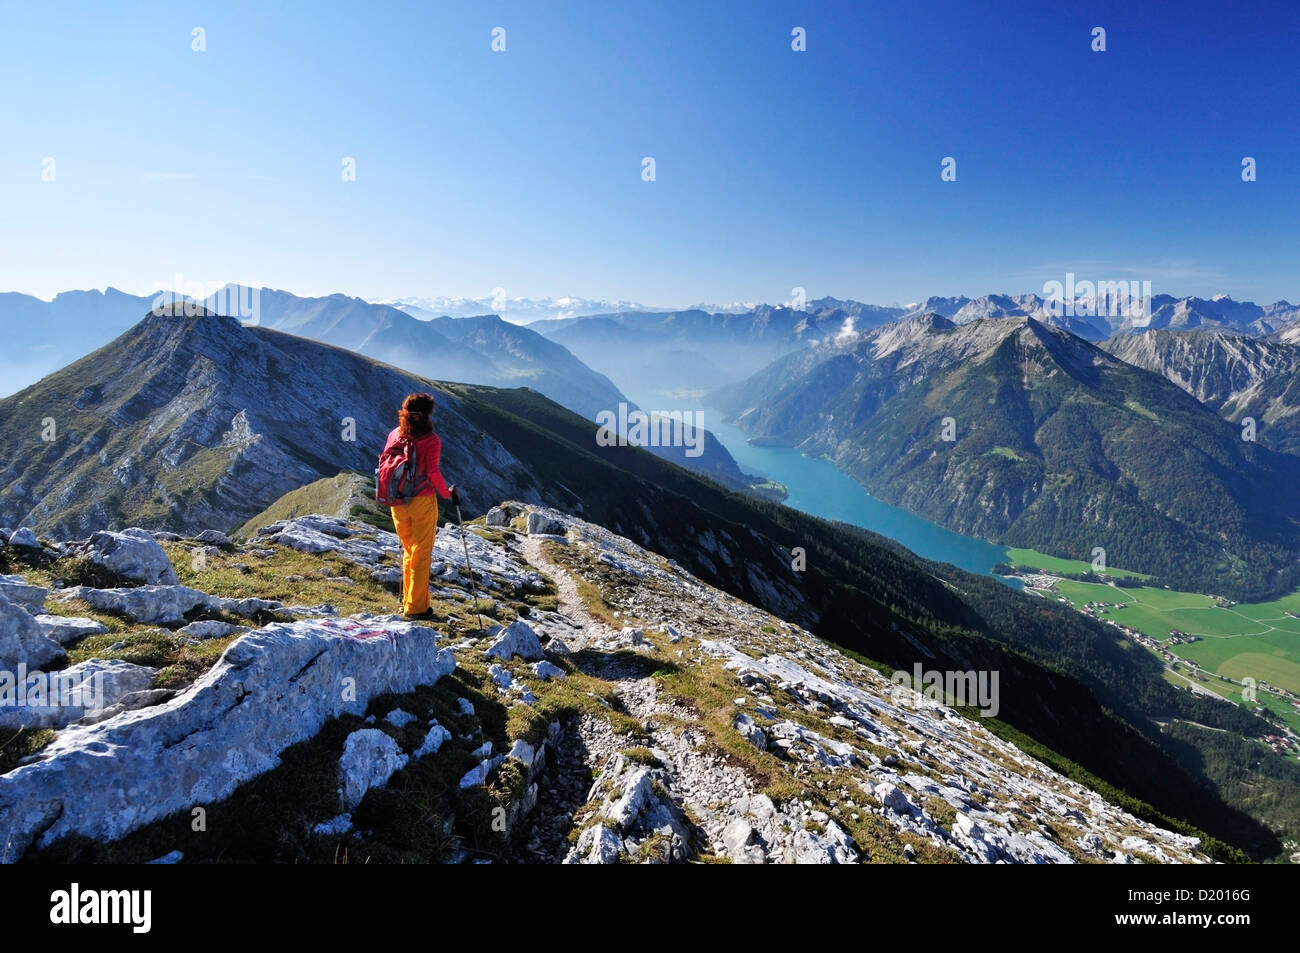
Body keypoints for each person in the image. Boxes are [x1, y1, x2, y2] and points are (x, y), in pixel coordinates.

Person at [384, 392, 460, 620]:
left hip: (397, 502)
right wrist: (447, 494)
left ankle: (410, 602)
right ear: (427, 414)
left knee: (410, 551)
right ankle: (416, 608)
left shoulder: (394, 435)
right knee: (421, 554)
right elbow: (432, 472)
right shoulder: (431, 440)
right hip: (421, 501)